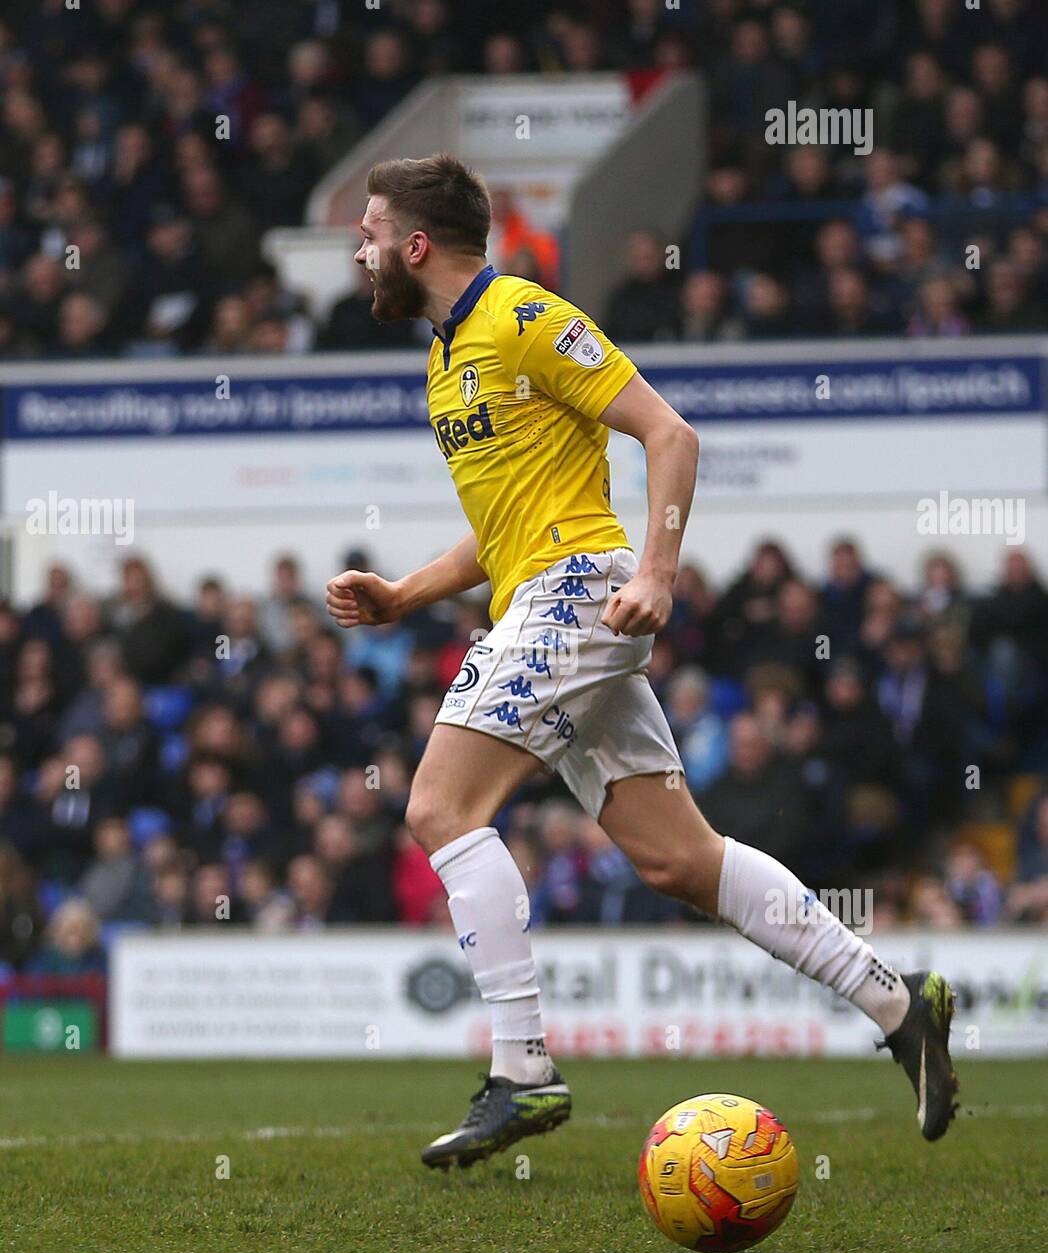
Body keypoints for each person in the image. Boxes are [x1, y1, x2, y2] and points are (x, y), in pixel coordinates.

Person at [326, 153, 958, 1169]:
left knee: (439, 809)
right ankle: (898, 1003)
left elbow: (670, 433)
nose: (357, 252)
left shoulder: (526, 317)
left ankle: (523, 1070)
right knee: (676, 858)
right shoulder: (445, 361)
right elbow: (499, 531)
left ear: (414, 243)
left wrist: (658, 570)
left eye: (367, 232)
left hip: (582, 590)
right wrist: (405, 594)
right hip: (543, 595)